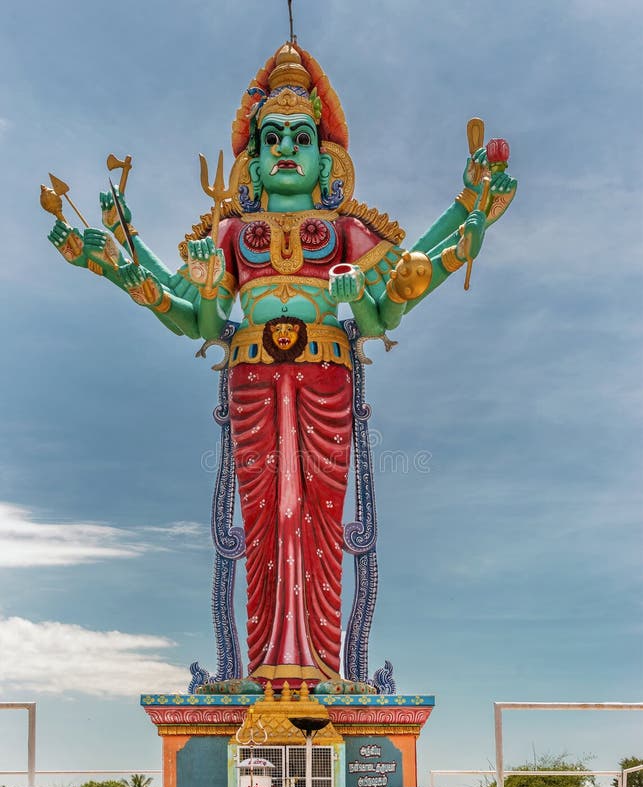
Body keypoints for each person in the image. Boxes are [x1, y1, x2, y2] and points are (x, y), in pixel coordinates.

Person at [46, 43, 516, 689]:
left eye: (300, 136)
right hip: (252, 376)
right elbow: (204, 321)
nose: (286, 149)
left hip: (325, 374)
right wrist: (117, 266)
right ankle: (266, 664)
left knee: (319, 516)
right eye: (272, 138)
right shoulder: (232, 234)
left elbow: (380, 314)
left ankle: (322, 667)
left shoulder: (346, 230)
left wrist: (461, 220)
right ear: (252, 159)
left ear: (329, 157)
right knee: (265, 516)